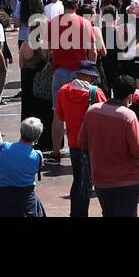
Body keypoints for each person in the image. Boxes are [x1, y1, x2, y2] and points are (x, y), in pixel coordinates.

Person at [79, 73, 139, 217]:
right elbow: (138, 151)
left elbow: (81, 141)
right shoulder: (128, 116)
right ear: (130, 96)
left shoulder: (92, 111)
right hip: (126, 180)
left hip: (101, 180)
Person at [52, 59, 105, 217]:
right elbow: (105, 117)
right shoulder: (96, 93)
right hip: (92, 144)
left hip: (74, 144)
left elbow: (60, 116)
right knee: (88, 183)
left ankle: (76, 213)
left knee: (79, 180)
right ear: (90, 77)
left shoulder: (63, 91)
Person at [0, 116, 45, 217]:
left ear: (21, 131)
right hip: (25, 201)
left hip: (0, 199)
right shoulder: (38, 156)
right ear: (37, 136)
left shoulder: (3, 147)